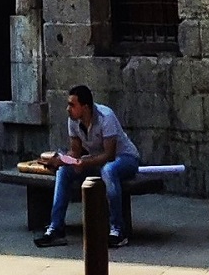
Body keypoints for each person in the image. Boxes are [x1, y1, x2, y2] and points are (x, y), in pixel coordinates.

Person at [34, 85, 140, 248]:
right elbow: (76, 151)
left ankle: (118, 230)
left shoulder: (106, 116)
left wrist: (83, 163)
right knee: (63, 172)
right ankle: (56, 229)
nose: (68, 109)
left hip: (125, 159)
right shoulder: (73, 120)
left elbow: (109, 155)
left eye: (72, 105)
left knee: (108, 170)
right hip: (96, 160)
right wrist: (61, 160)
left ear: (85, 107)